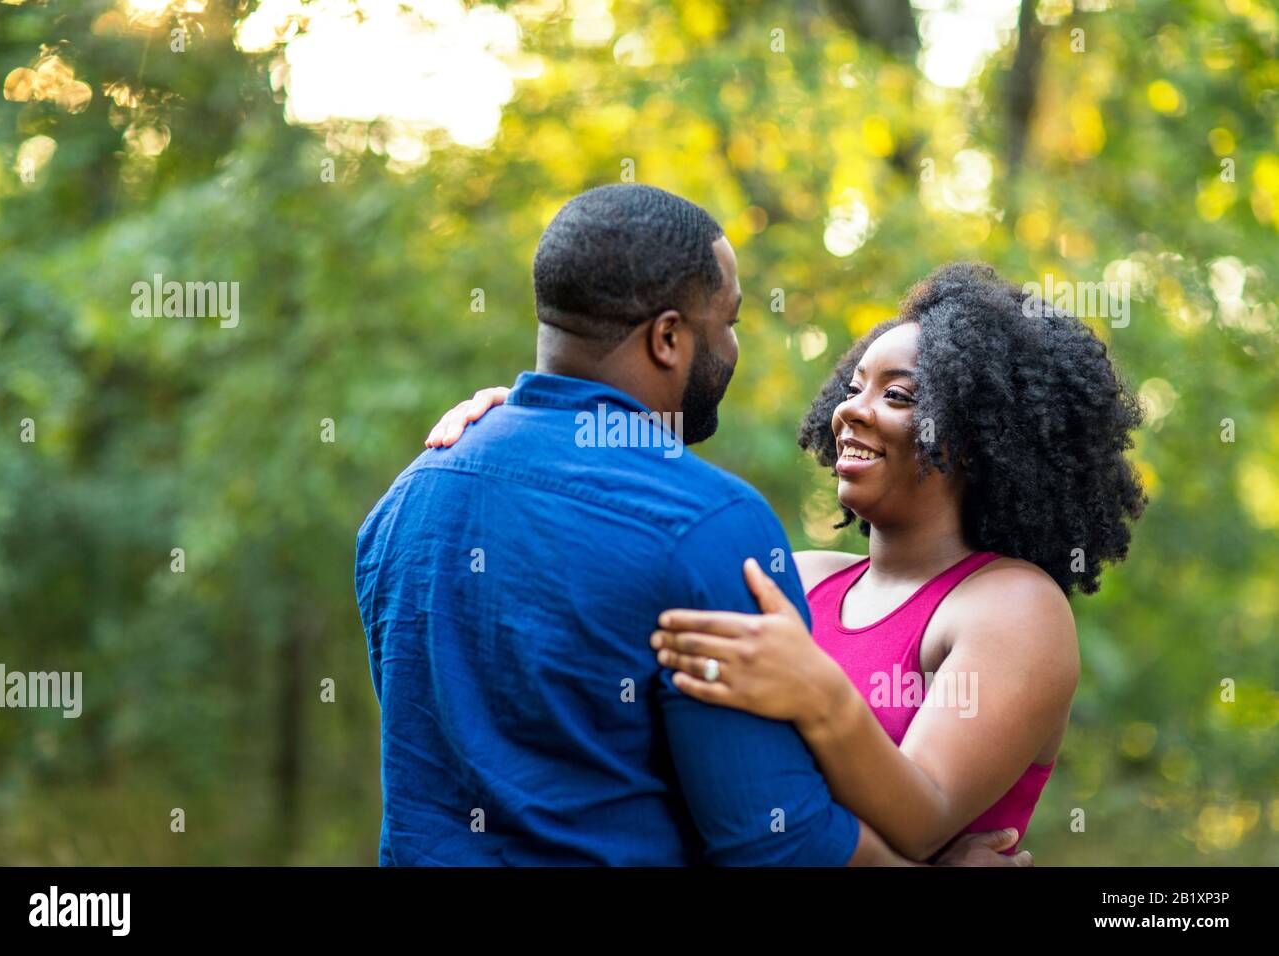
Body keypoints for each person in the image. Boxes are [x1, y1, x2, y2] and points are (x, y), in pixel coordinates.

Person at [358, 183, 1023, 865]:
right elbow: (772, 840)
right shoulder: (710, 529)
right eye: (727, 321)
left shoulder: (408, 499)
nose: (732, 345)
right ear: (669, 337)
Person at [426, 261, 1147, 860]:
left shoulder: (1011, 607)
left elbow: (923, 814)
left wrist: (818, 692)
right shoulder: (799, 576)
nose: (851, 410)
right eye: (855, 385)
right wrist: (531, 425)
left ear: (976, 435)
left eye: (896, 395)